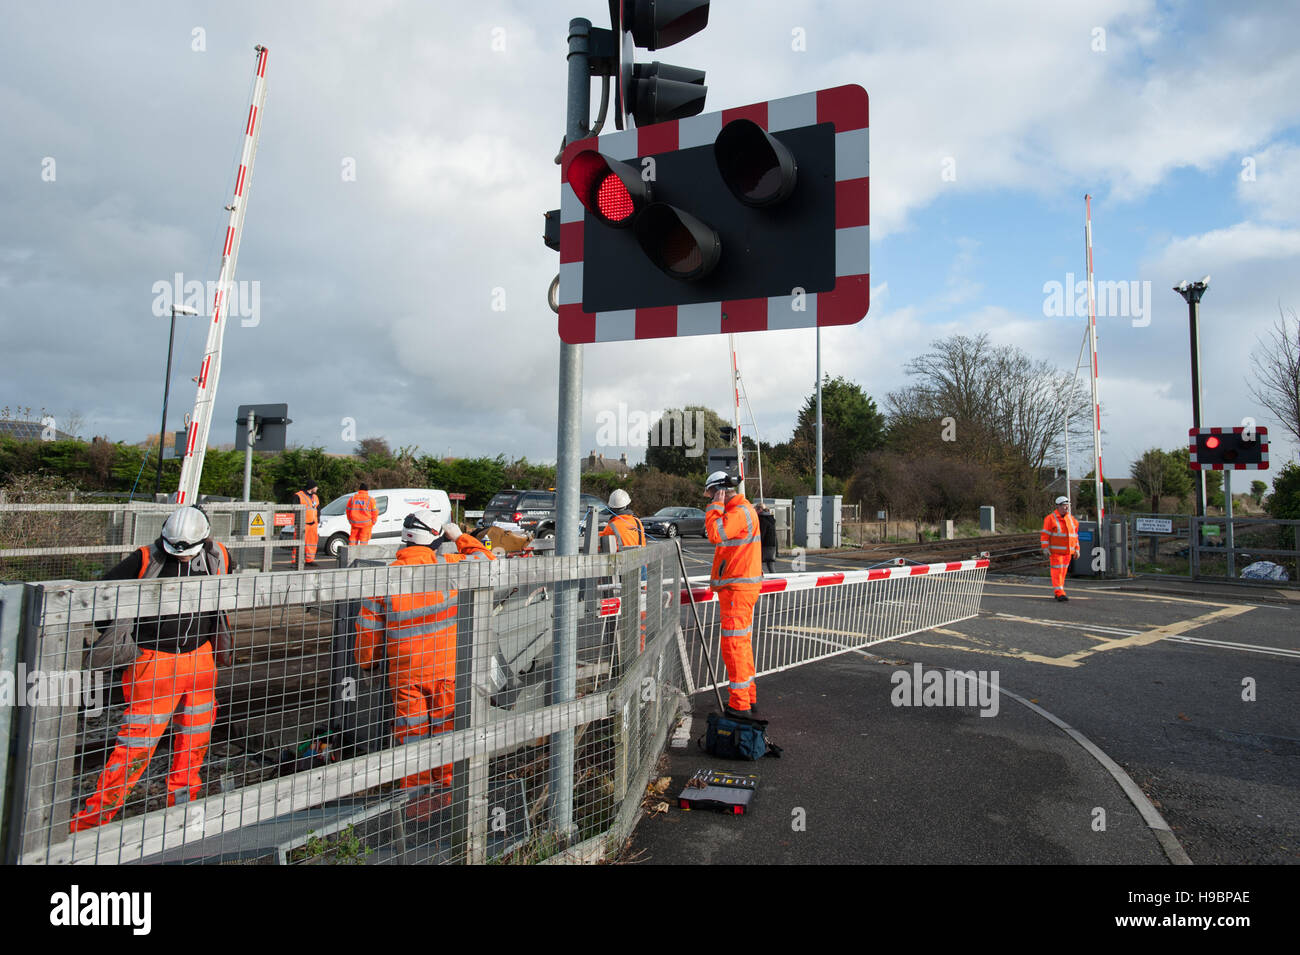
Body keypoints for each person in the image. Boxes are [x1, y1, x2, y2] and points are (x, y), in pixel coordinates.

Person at [71, 506, 235, 831]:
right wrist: (127, 637)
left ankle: (183, 813)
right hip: (154, 663)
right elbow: (100, 600)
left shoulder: (218, 555)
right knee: (135, 747)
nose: (183, 557)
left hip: (201, 660)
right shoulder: (145, 559)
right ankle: (90, 825)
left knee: (195, 738)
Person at [354, 512, 493, 800]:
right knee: (447, 735)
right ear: (435, 537)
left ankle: (416, 806)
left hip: (406, 677)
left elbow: (368, 630)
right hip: (447, 670)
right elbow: (487, 561)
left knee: (413, 740)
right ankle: (447, 802)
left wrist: (368, 664)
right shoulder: (450, 567)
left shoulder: (386, 577)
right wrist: (459, 537)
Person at [704, 470, 763, 719]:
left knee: (734, 646)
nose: (708, 499)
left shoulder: (739, 512)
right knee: (742, 644)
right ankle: (747, 696)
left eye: (711, 494)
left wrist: (715, 506)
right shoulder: (742, 511)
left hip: (737, 591)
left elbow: (714, 534)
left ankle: (740, 705)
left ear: (721, 491)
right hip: (739, 589)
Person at [1041, 495, 1080, 602]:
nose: (1066, 508)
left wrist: (1077, 549)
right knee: (1057, 572)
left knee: (1062, 572)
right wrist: (1045, 547)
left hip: (1067, 552)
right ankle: (1059, 593)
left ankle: (1059, 591)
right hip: (1056, 552)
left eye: (1067, 505)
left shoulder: (1072, 520)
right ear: (1058, 506)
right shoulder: (1050, 519)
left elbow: (1075, 536)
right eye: (1064, 506)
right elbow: (1045, 535)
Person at [294, 481, 321, 564]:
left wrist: (318, 519)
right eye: (316, 487)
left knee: (312, 543)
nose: (317, 488)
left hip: (313, 523)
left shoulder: (315, 497)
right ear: (311, 487)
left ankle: (310, 560)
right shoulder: (299, 495)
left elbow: (318, 509)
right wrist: (296, 521)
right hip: (302, 523)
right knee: (298, 542)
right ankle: (295, 561)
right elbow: (295, 510)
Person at [757, 503, 778, 574]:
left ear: (759, 509)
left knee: (757, 564)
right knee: (770, 565)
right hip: (772, 545)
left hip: (764, 546)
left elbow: (761, 534)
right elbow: (775, 535)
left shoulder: (762, 519)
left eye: (756, 510)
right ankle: (776, 581)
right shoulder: (771, 518)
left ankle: (759, 580)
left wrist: (757, 544)